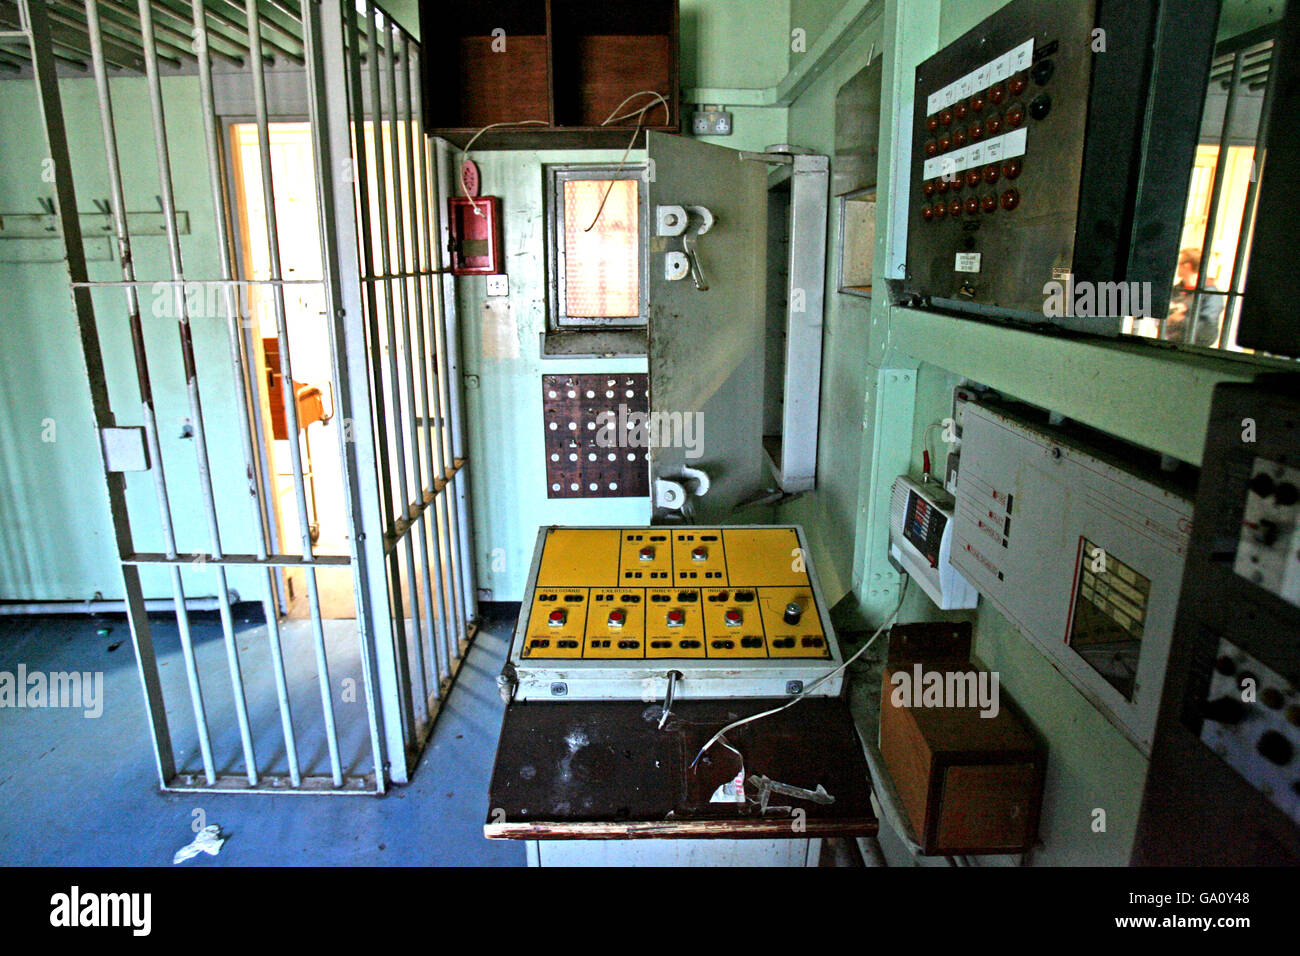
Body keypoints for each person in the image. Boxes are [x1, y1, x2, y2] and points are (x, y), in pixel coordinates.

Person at [1163, 247, 1226, 347]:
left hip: (1196, 349)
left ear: (1187, 266)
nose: (1176, 267)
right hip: (1170, 344)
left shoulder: (1211, 294)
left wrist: (1179, 319)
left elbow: (1207, 329)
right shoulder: (1175, 290)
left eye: (1179, 264)